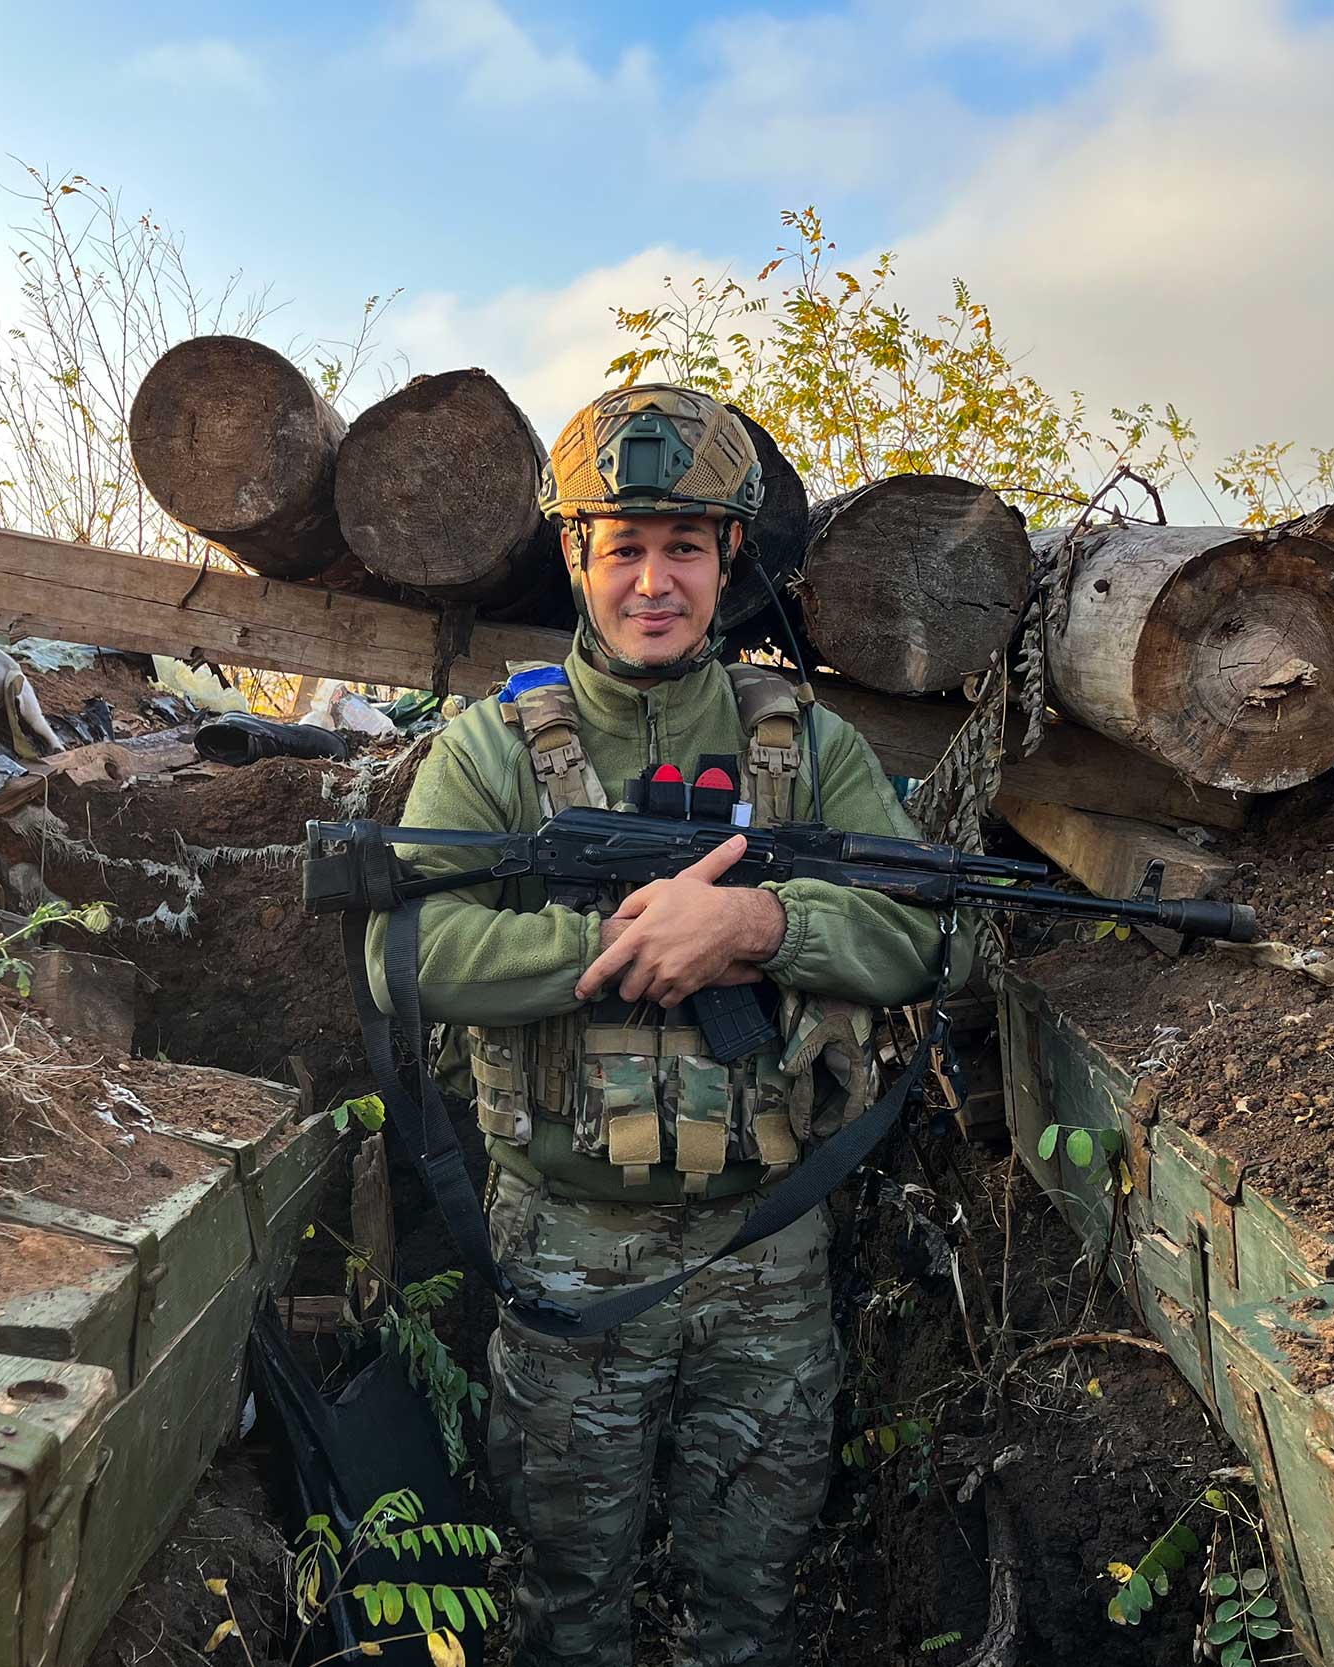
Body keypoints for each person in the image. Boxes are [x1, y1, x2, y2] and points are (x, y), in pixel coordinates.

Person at [370, 385, 972, 1666]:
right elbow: (405, 948)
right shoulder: (489, 752)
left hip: (769, 1251)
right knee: (560, 1599)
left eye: (684, 547)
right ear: (579, 556)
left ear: (729, 558)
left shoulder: (804, 743)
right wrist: (619, 944)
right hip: (568, 1243)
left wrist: (757, 929)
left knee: (751, 1598)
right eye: (625, 548)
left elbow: (931, 930)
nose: (656, 581)